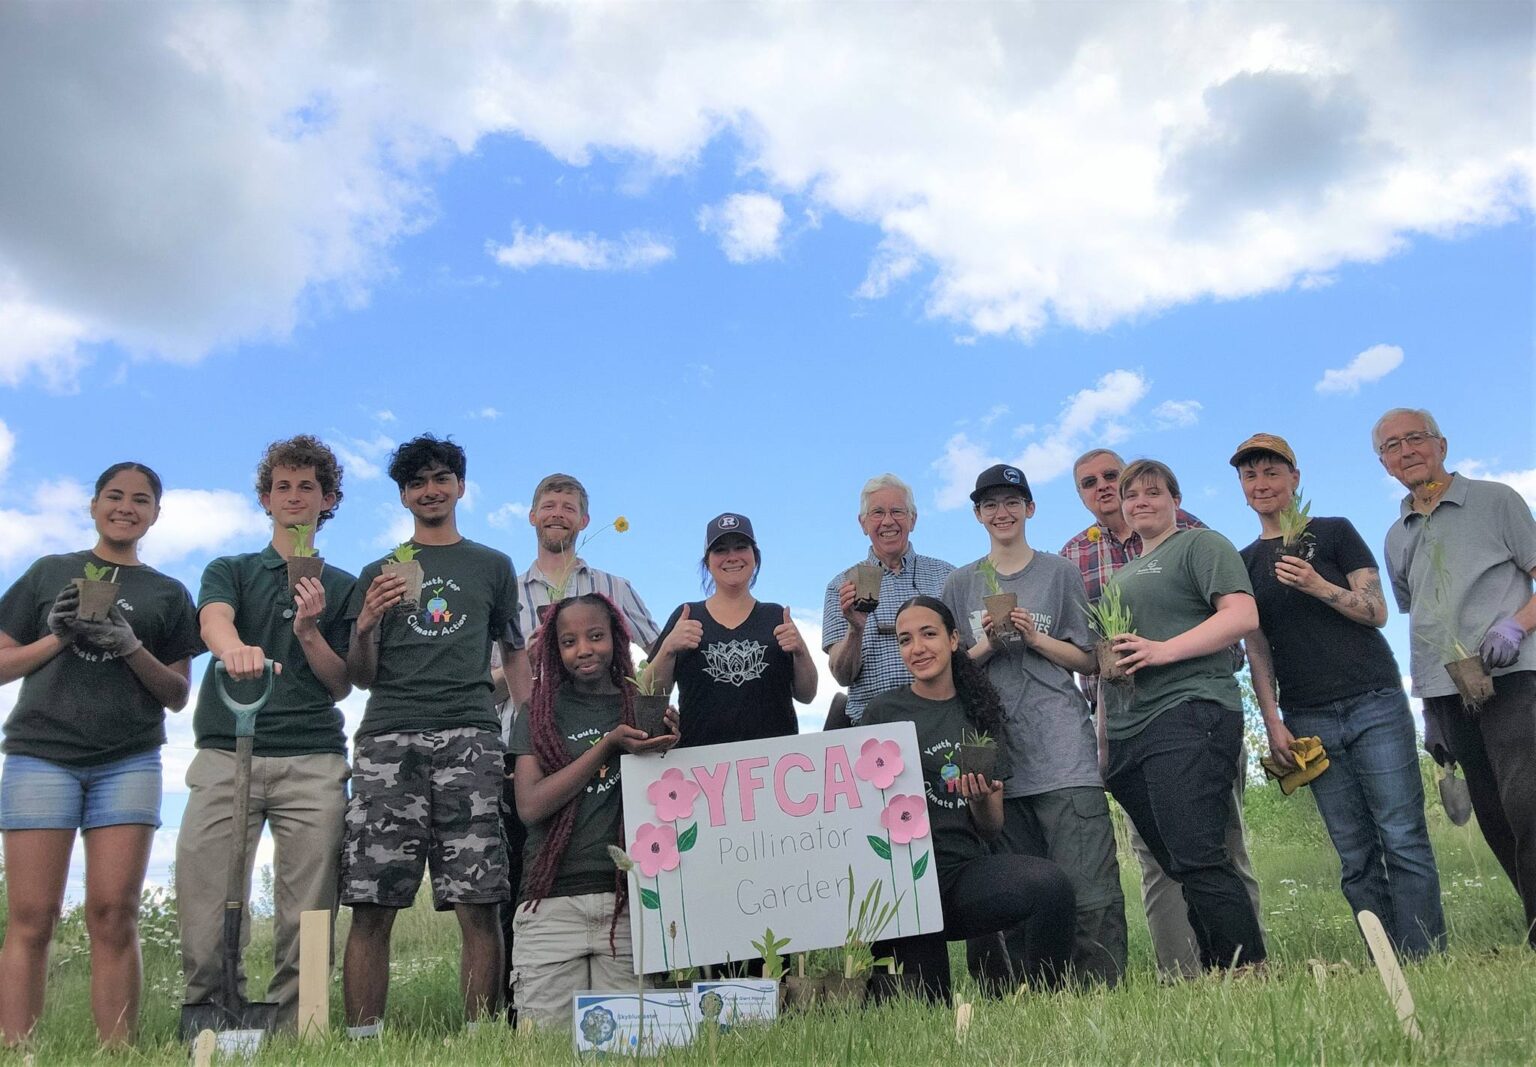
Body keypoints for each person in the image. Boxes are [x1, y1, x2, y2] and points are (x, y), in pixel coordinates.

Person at [0, 462, 200, 1047]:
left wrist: (130, 644)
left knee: (114, 914)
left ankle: (118, 1053)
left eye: (141, 500)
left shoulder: (167, 592)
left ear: (156, 515)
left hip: (128, 761)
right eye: (114, 496)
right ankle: (17, 1051)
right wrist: (57, 637)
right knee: (33, 917)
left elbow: (178, 694)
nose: (126, 507)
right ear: (93, 506)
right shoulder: (48, 573)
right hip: (42, 755)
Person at [340, 435, 532, 1033]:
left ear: (460, 487)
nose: (431, 490)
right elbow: (359, 675)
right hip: (387, 739)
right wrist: (368, 620)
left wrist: (533, 730)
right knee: (372, 902)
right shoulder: (378, 571)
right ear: (403, 495)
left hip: (471, 737)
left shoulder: (492, 565)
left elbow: (515, 652)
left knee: (480, 900)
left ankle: (480, 1037)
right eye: (418, 482)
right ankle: (363, 1040)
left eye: (441, 478)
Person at [1233, 433, 1444, 957]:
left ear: (1295, 479)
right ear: (1242, 487)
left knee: (1402, 835)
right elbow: (1257, 650)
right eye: (1250, 475)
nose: (1262, 484)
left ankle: (1425, 954)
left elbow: (1376, 611)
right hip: (1306, 714)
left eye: (1272, 472)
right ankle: (1386, 958)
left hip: (1373, 699)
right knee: (1354, 850)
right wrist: (1273, 718)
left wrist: (1316, 585)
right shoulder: (1243, 563)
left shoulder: (1333, 533)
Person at [1060, 447, 1262, 979]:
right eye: (1131, 495)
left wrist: (1162, 650)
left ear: (1177, 500)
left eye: (1153, 491)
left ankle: (1247, 970)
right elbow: (1104, 668)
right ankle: (1211, 969)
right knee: (1177, 860)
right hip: (1129, 731)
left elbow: (1241, 614)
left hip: (1188, 711)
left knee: (1199, 852)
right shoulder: (1123, 575)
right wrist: (1104, 747)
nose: (1140, 501)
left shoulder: (1199, 544)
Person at [176, 436, 357, 1029]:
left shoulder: (343, 585)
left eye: (308, 486)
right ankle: (213, 1015)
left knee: (307, 911)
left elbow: (342, 684)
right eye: (284, 486)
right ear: (266, 498)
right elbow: (214, 619)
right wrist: (234, 653)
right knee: (206, 903)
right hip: (229, 752)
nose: (295, 497)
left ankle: (301, 1026)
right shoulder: (231, 568)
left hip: (313, 760)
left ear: (327, 499)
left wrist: (310, 630)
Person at [940, 463, 1125, 986]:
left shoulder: (1059, 573)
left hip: (1062, 749)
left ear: (1030, 509)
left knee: (1090, 889)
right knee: (1023, 894)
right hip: (999, 757)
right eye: (991, 505)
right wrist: (988, 643)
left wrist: (1036, 639)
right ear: (978, 515)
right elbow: (951, 670)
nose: (1003, 513)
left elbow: (1091, 661)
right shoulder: (960, 583)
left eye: (1012, 502)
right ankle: (1037, 996)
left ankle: (1101, 993)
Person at [499, 472, 661, 1014]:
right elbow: (490, 676)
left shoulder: (615, 585)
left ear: (584, 520)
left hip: (622, 884)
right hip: (536, 761)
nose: (558, 513)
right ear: (532, 516)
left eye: (569, 506)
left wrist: (658, 703)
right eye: (548, 504)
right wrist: (530, 658)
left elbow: (657, 655)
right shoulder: (510, 592)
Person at [862, 595, 1076, 1003]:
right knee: (927, 1011)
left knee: (1052, 886)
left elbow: (991, 826)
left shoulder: (978, 712)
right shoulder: (883, 712)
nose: (918, 648)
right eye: (906, 640)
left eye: (928, 634)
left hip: (961, 874)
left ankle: (1050, 1001)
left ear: (955, 638)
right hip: (904, 886)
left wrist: (980, 798)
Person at [1376, 408, 1536, 946]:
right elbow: (1421, 614)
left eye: (1415, 438)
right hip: (1446, 688)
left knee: (1528, 799)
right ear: (1384, 462)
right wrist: (1427, 706)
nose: (1406, 451)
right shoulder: (1398, 535)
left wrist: (1516, 624)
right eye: (1392, 446)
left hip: (1514, 673)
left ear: (1441, 444)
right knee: (1491, 810)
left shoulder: (1496, 500)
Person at [507, 594, 676, 1029]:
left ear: (618, 639)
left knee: (632, 1045)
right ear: (554, 651)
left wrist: (671, 742)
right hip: (549, 906)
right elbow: (530, 806)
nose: (583, 649)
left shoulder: (639, 704)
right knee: (543, 1050)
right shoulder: (539, 712)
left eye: (596, 636)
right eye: (568, 641)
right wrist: (608, 745)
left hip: (624, 904)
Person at [647, 513, 816, 748]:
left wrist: (800, 651)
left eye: (740, 547)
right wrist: (668, 649)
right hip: (700, 765)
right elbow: (647, 694)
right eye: (721, 550)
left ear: (754, 557)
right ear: (707, 562)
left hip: (775, 762)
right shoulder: (685, 615)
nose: (732, 557)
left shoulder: (776, 616)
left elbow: (807, 695)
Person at [822, 474, 954, 725]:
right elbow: (842, 677)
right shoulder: (840, 587)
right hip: (873, 727)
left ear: (912, 519)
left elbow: (963, 652)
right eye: (877, 513)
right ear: (863, 523)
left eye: (897, 511)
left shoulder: (947, 577)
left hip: (939, 722)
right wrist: (856, 628)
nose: (888, 521)